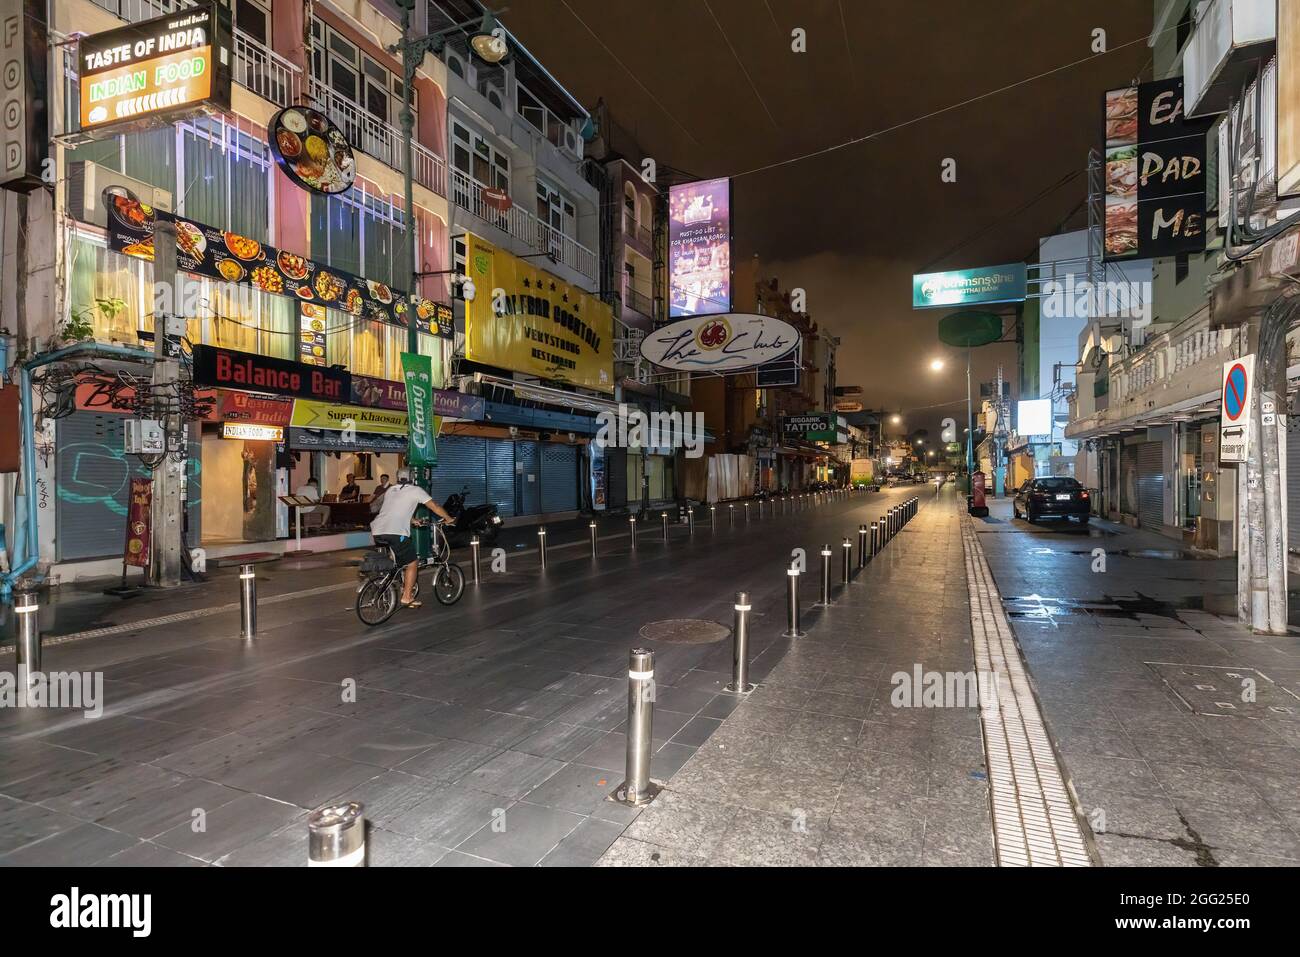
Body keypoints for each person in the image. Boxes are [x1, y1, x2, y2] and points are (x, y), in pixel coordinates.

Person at [370, 469, 454, 609]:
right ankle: (407, 597)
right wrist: (448, 519)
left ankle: (393, 578)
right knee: (412, 563)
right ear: (413, 478)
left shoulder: (391, 490)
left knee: (397, 557)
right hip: (395, 532)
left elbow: (394, 511)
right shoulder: (416, 490)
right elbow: (434, 506)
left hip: (377, 530)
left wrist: (413, 520)